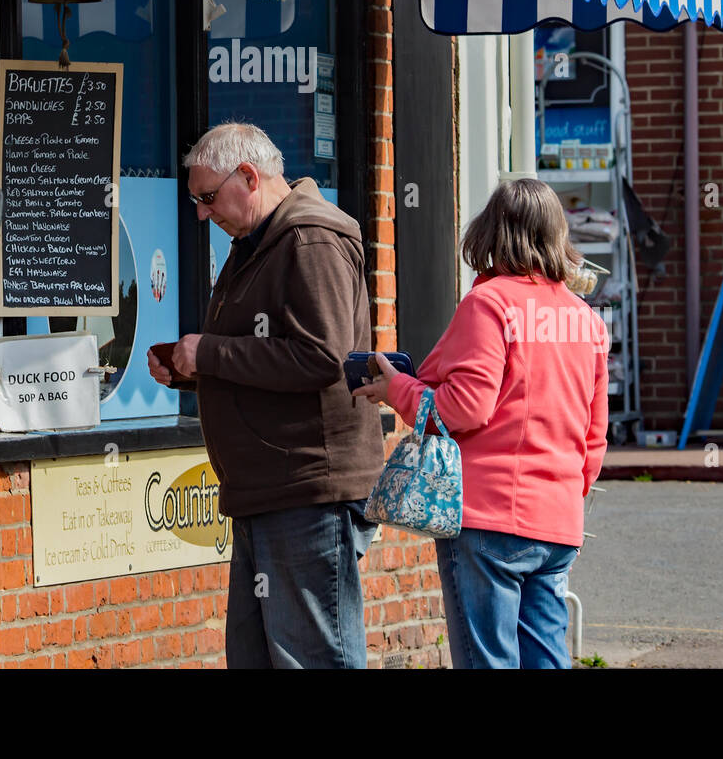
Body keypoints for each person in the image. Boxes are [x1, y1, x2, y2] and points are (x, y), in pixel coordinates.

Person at [147, 122, 383, 668]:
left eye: (207, 197)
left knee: (311, 658)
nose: (202, 214)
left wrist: (207, 355)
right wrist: (191, 369)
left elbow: (321, 356)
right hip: (270, 490)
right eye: (195, 201)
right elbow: (265, 350)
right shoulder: (257, 240)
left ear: (249, 176)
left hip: (306, 490)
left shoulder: (309, 239)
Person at [354, 176, 608, 669]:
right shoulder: (585, 318)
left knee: (488, 660)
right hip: (557, 522)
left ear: (491, 234)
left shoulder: (490, 304)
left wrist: (396, 390)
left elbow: (467, 408)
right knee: (547, 660)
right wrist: (565, 494)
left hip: (490, 517)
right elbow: (595, 435)